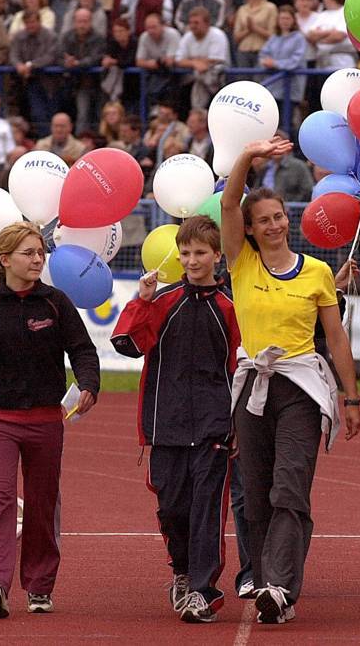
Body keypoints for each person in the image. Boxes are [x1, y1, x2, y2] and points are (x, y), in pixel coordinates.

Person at [219, 137, 360, 624]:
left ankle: (280, 585)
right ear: (252, 230)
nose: (274, 225)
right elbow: (227, 203)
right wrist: (246, 157)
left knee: (289, 488)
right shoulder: (240, 262)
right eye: (263, 221)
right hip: (252, 391)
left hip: (300, 388)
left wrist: (352, 396)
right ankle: (266, 585)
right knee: (256, 493)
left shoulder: (318, 272)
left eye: (278, 216)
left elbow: (337, 340)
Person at [0, 221, 99, 619]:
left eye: (40, 252)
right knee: (0, 499)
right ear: (5, 259)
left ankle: (40, 587)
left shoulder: (56, 303)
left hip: (46, 422)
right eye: (29, 253)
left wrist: (89, 383)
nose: (38, 258)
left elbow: (83, 349)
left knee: (42, 505)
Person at [111, 216, 241, 623]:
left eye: (201, 253)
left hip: (213, 428)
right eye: (185, 253)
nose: (192, 260)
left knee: (207, 510)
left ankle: (205, 591)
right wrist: (142, 301)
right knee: (171, 508)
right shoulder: (163, 301)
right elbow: (127, 345)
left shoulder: (230, 308)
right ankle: (182, 572)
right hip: (164, 425)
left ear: (218, 256)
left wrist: (236, 424)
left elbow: (241, 366)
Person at [175, 6, 230, 110]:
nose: (192, 26)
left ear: (207, 23)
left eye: (196, 23)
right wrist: (194, 63)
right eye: (190, 23)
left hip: (219, 82)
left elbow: (215, 60)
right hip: (196, 81)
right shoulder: (188, 37)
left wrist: (191, 60)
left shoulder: (217, 35)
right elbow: (178, 60)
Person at [233, 0, 277, 69]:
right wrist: (248, 30)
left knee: (260, 81)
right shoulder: (241, 9)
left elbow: (274, 35)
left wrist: (256, 29)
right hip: (243, 51)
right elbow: (236, 36)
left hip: (262, 51)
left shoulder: (270, 8)